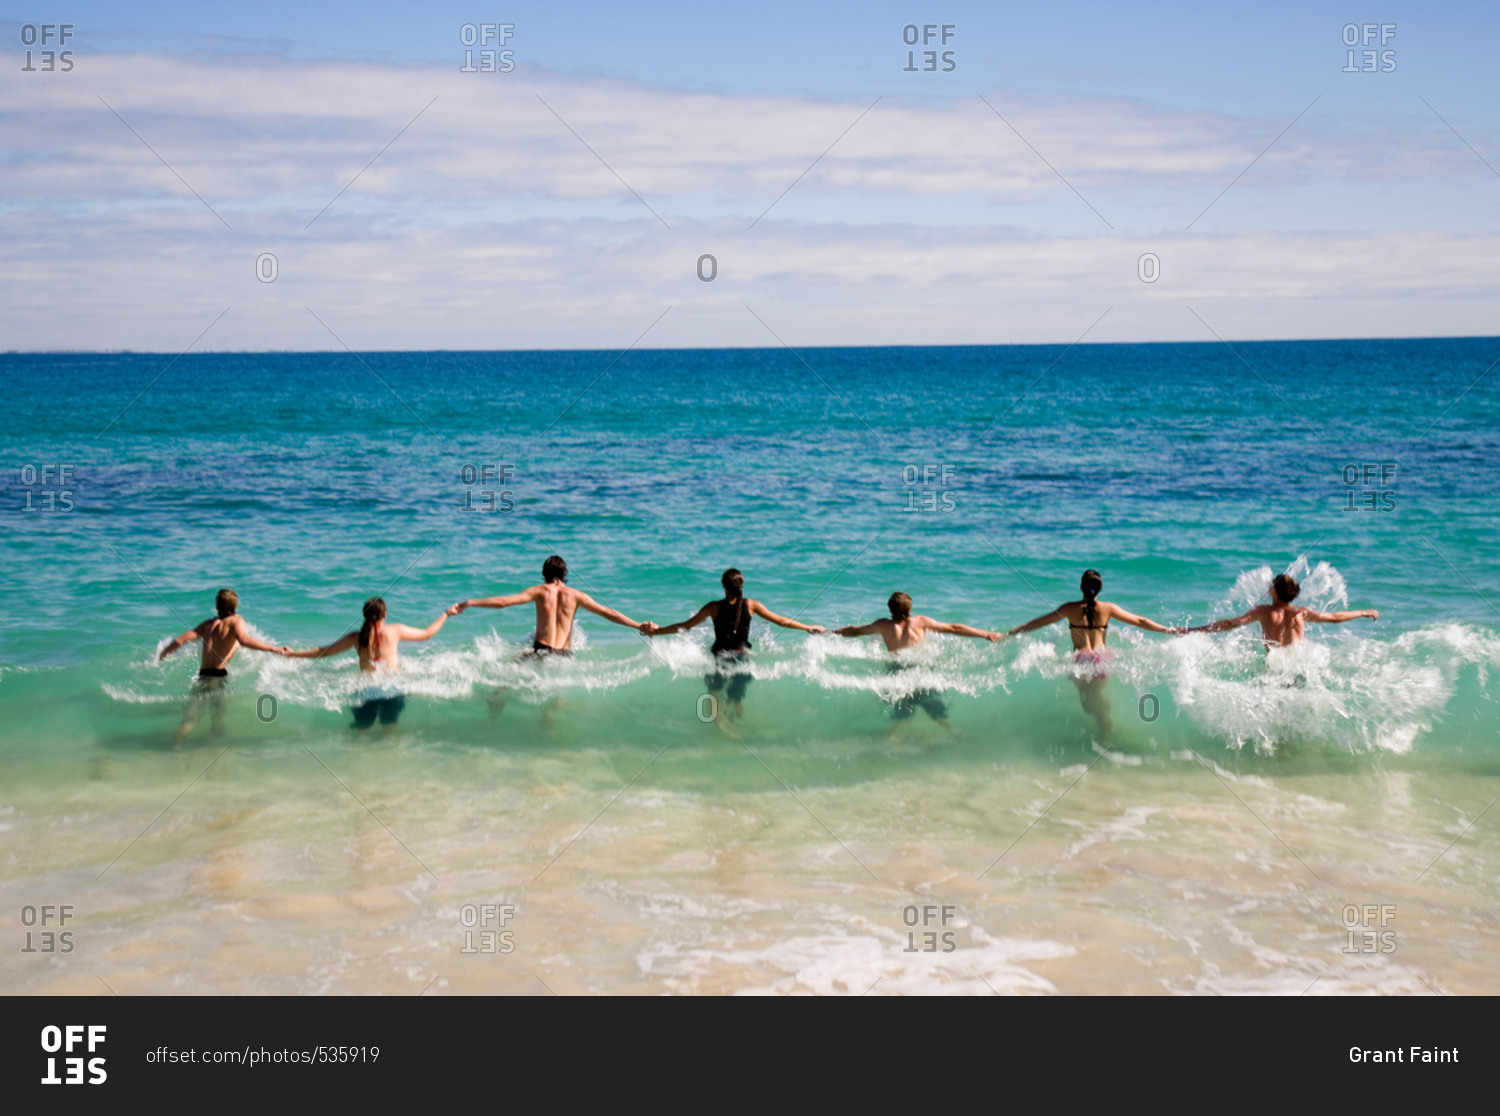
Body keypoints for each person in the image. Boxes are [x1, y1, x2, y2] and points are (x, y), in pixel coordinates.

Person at [1004, 569, 1179, 739]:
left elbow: (1039, 622)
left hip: (1082, 661)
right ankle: (1105, 723)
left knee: (1088, 705)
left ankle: (1106, 731)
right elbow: (1141, 621)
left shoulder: (1069, 608)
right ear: (1100, 589)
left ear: (1081, 587)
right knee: (1095, 700)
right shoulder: (1108, 608)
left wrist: (1010, 633)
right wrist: (1169, 630)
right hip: (1103, 658)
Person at [646, 567, 827, 730]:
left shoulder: (714, 607)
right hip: (742, 658)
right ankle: (736, 721)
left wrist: (656, 631)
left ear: (723, 585)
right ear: (742, 585)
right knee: (736, 697)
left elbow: (685, 626)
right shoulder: (751, 605)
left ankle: (720, 724)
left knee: (715, 692)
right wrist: (808, 627)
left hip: (720, 658)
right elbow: (781, 620)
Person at [283, 597, 453, 730]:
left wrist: (293, 654)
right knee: (390, 727)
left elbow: (324, 652)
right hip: (391, 688)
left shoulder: (355, 637)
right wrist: (446, 613)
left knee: (361, 731)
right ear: (384, 615)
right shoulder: (395, 631)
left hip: (366, 690)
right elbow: (426, 634)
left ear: (364, 616)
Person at [835, 592, 1001, 724]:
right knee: (934, 707)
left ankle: (893, 737)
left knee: (901, 711)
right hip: (920, 669)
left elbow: (854, 630)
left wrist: (828, 632)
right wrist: (985, 634)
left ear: (891, 609)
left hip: (897, 671)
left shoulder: (883, 625)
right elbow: (954, 628)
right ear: (910, 608)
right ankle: (951, 732)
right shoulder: (921, 622)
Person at [450, 554, 652, 655]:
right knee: (557, 697)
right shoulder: (576, 595)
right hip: (563, 655)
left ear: (544, 575)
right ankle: (549, 721)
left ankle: (496, 701)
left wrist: (469, 602)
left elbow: (502, 602)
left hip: (540, 651)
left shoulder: (538, 591)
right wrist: (638, 625)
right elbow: (607, 613)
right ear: (564, 575)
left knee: (507, 681)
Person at [158, 588, 288, 744]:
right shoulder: (236, 621)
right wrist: (274, 648)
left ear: (217, 606)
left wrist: (161, 657)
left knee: (191, 720)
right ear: (235, 606)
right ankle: (220, 748)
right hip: (218, 678)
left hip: (203, 676)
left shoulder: (208, 624)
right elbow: (244, 640)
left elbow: (179, 641)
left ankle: (178, 742)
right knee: (217, 718)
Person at [1184, 572, 1378, 647]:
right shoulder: (1301, 612)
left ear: (1275, 591)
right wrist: (1363, 612)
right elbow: (1335, 617)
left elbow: (1230, 624)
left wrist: (1194, 630)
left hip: (1275, 669)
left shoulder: (1264, 611)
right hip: (1297, 666)